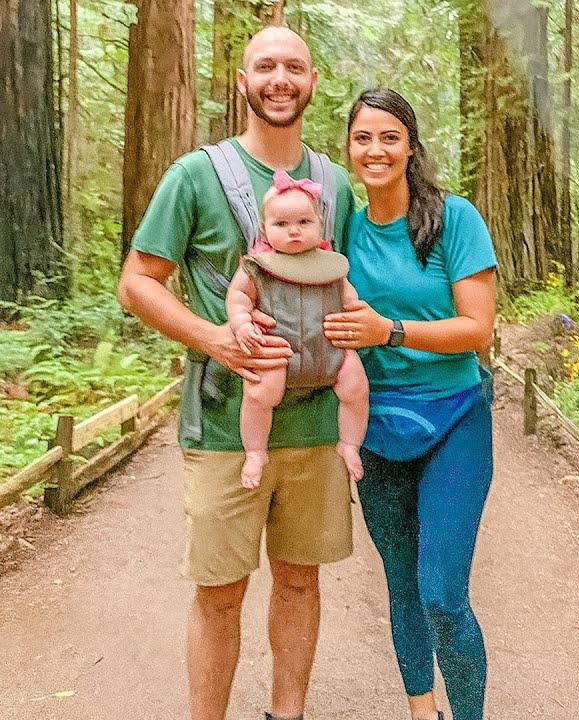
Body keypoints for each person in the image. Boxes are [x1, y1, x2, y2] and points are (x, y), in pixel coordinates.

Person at [117, 26, 357, 720]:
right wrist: (215, 338)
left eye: (294, 67)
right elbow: (138, 282)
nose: (281, 79)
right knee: (220, 592)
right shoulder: (195, 176)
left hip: (317, 425)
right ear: (244, 81)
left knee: (301, 583)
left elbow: (343, 283)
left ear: (312, 82)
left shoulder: (336, 185)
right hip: (226, 424)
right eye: (266, 66)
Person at [322, 88, 497, 720]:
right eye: (363, 137)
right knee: (401, 584)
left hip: (454, 417)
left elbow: (478, 330)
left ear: (411, 147)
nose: (376, 150)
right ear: (349, 148)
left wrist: (389, 331)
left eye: (390, 137)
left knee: (442, 594)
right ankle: (423, 710)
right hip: (374, 427)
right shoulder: (341, 227)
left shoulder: (455, 219)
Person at [227, 171, 368, 488]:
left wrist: (355, 312)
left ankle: (349, 444)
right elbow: (238, 297)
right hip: (278, 352)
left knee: (357, 389)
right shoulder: (258, 266)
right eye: (281, 224)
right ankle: (255, 452)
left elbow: (349, 296)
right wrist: (241, 322)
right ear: (264, 229)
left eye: (304, 222)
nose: (294, 231)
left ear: (320, 224)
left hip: (331, 350)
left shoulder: (330, 264)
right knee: (259, 395)